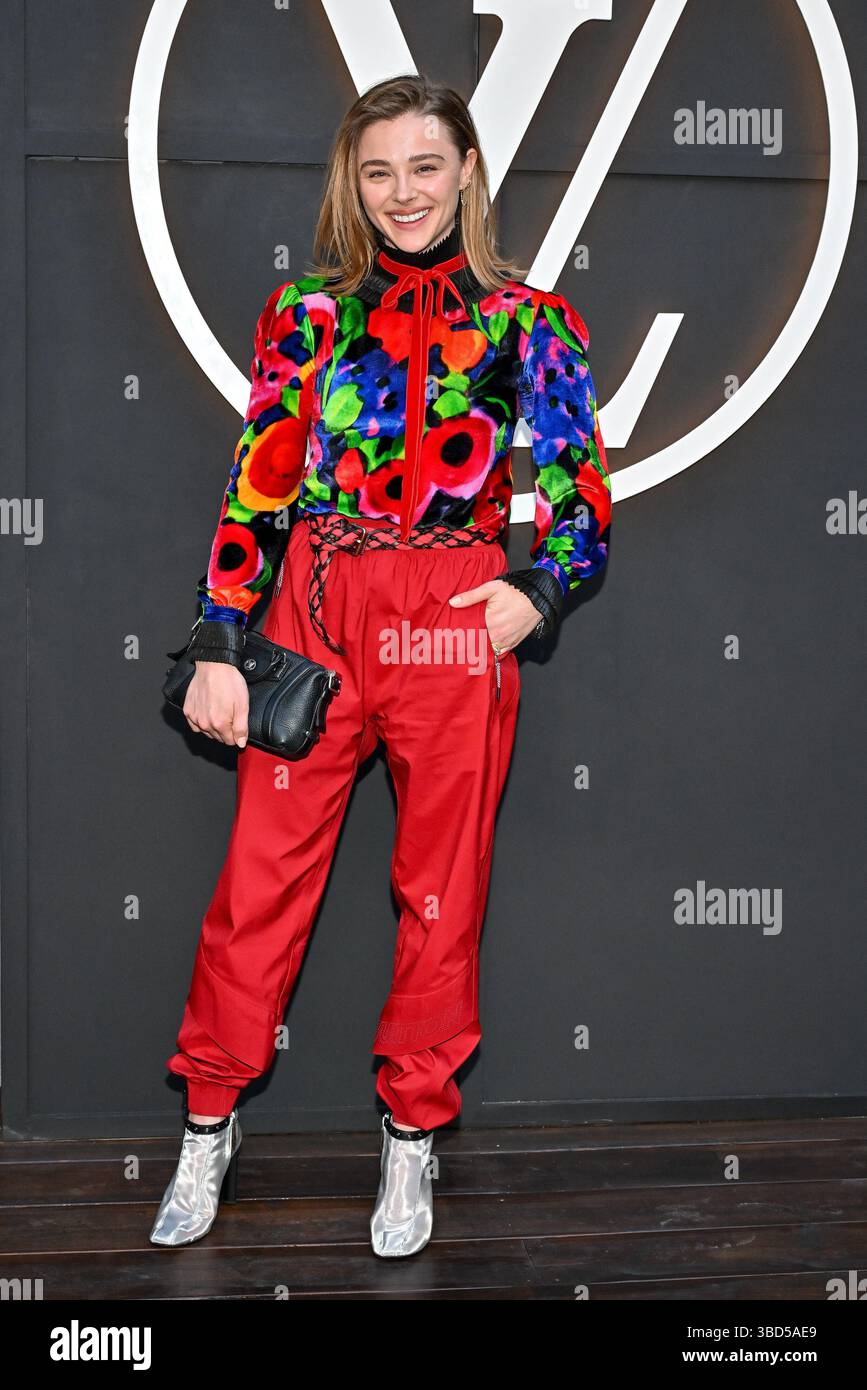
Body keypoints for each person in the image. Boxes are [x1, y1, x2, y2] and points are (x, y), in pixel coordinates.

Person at [150, 73, 611, 1257]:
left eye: (425, 165)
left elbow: (579, 497)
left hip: (453, 612)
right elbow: (259, 475)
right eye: (379, 170)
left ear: (466, 170)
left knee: (439, 891)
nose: (404, 191)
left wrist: (533, 591)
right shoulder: (303, 312)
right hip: (315, 599)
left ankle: (412, 1141)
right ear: (352, 185)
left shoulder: (531, 323)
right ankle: (209, 1119)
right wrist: (217, 636)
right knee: (260, 882)